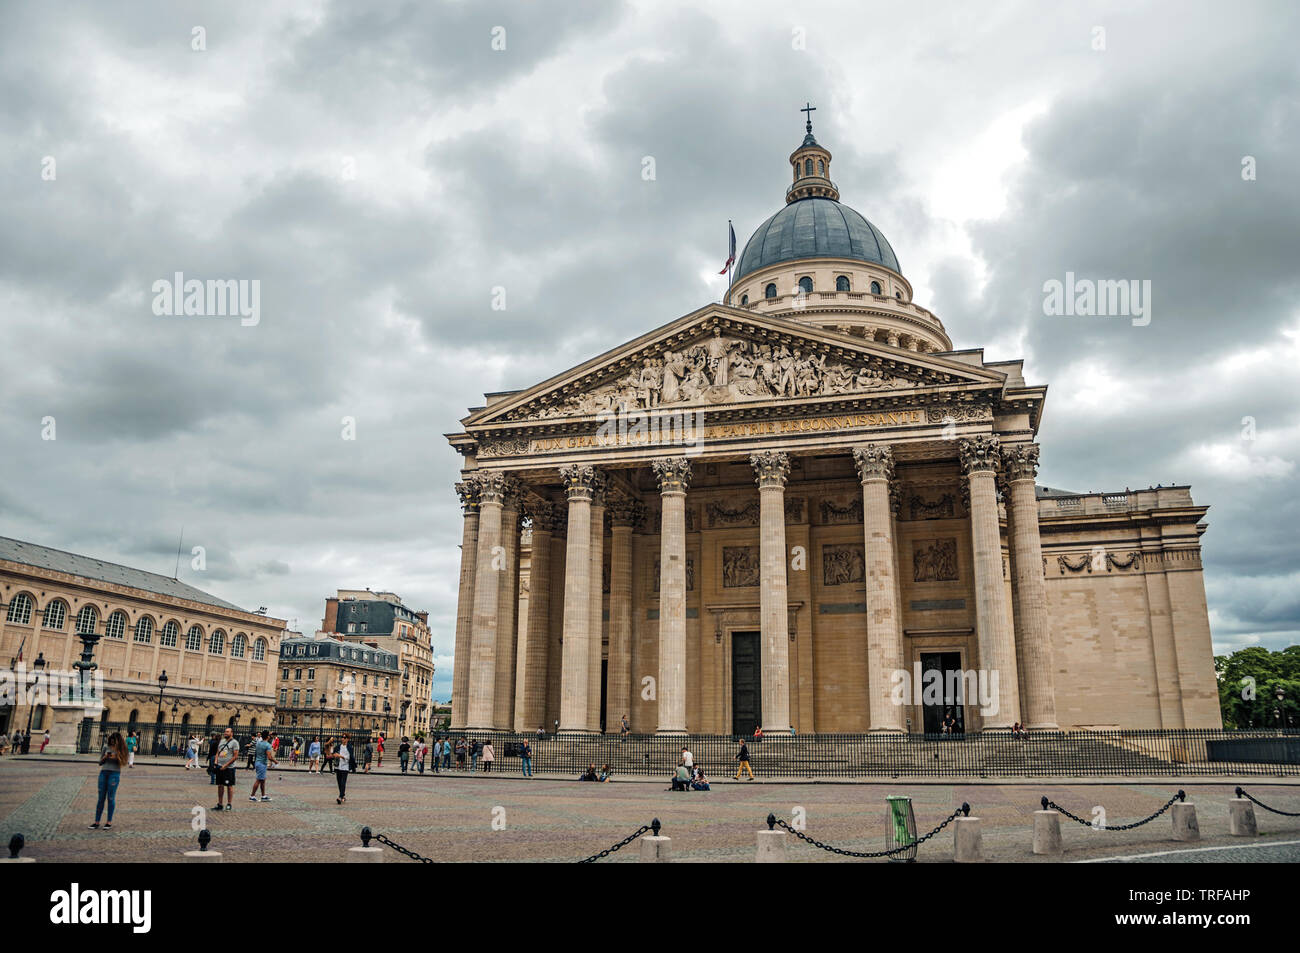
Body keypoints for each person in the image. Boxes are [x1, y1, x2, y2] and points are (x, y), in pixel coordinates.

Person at [89, 731, 129, 829]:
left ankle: (109, 822)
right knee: (100, 798)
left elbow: (124, 763)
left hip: (114, 774)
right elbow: (100, 763)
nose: (112, 743)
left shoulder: (122, 749)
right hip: (103, 773)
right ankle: (96, 822)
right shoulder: (105, 748)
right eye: (111, 741)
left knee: (111, 798)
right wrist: (105, 757)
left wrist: (117, 756)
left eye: (114, 741)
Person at [214, 727, 240, 811]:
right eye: (225, 731)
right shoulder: (222, 741)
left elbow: (235, 756)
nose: (225, 733)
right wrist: (216, 762)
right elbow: (218, 752)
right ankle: (220, 803)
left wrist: (226, 765)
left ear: (231, 733)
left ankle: (229, 803)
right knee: (220, 785)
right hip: (219, 766)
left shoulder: (235, 743)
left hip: (229, 768)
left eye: (227, 732)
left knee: (229, 786)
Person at [249, 729, 277, 801]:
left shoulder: (259, 743)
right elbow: (269, 757)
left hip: (257, 762)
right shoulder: (268, 745)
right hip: (262, 763)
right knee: (258, 780)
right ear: (267, 737)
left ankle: (263, 796)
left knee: (263, 780)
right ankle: (252, 796)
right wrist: (275, 761)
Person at [333, 733, 352, 804]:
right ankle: (343, 796)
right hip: (338, 766)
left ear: (347, 739)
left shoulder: (349, 747)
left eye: (344, 737)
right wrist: (334, 755)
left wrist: (340, 756)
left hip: (345, 767)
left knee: (343, 782)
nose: (342, 739)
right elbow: (333, 753)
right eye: (342, 737)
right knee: (339, 782)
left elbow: (349, 758)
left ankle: (340, 797)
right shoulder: (338, 746)